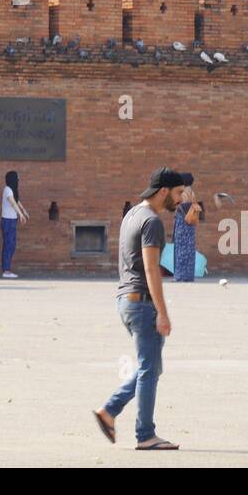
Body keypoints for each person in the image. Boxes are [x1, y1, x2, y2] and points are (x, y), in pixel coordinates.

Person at [94, 167, 191, 451]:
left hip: (126, 300)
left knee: (151, 367)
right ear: (164, 191)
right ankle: (145, 434)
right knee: (150, 369)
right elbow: (151, 269)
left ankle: (109, 412)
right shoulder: (152, 222)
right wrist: (162, 311)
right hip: (141, 303)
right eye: (178, 192)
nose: (181, 198)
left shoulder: (133, 214)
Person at [171, 182, 203, 282]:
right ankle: (189, 275)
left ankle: (180, 276)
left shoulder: (182, 193)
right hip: (190, 226)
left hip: (182, 224)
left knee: (180, 251)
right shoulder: (192, 193)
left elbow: (176, 205)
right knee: (189, 251)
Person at [0, 170, 29, 278]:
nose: (18, 180)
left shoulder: (12, 190)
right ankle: (6, 271)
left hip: (12, 220)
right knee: (9, 245)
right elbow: (12, 202)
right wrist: (20, 214)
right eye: (17, 177)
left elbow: (17, 201)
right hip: (7, 221)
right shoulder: (7, 189)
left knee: (11, 245)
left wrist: (24, 211)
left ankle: (6, 269)